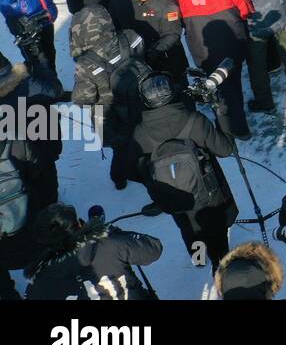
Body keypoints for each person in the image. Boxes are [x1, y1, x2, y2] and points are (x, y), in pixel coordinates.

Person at [127, 71, 238, 273]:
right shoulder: (194, 120)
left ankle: (199, 259)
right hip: (209, 195)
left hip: (173, 198)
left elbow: (133, 170)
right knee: (216, 233)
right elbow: (225, 149)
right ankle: (220, 266)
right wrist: (221, 115)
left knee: (188, 229)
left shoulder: (139, 133)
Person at [176, 0, 255, 139]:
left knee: (217, 88)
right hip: (232, 48)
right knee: (232, 89)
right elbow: (248, 11)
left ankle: (223, 125)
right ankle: (239, 129)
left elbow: (179, 22)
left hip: (202, 52)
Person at [23, 204, 163, 300]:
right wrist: (107, 231)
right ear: (78, 226)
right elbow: (153, 248)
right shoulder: (108, 244)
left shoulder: (40, 280)